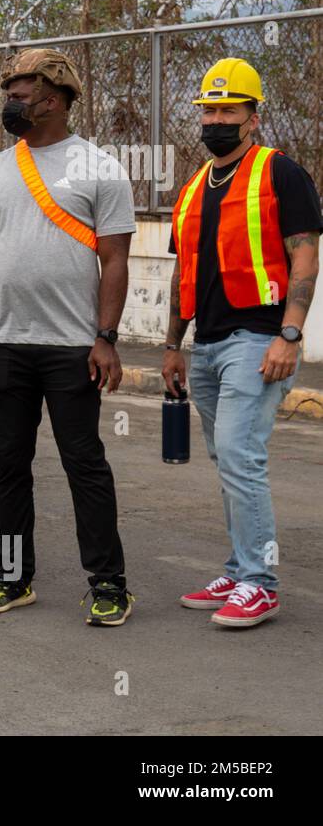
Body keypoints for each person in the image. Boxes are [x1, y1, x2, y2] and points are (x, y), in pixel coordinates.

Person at [0, 48, 136, 626]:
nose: (9, 102)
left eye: (20, 93)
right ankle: (13, 577)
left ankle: (109, 583)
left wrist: (105, 337)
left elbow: (116, 258)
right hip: (4, 342)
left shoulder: (99, 168)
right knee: (7, 463)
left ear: (53, 98)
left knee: (85, 462)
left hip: (72, 346)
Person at [163, 58, 321, 628]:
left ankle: (260, 582)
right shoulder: (191, 190)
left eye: (229, 110)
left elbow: (305, 259)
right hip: (204, 346)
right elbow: (185, 274)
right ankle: (238, 566)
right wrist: (172, 346)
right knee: (225, 459)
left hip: (258, 340)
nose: (216, 120)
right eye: (209, 109)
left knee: (239, 456)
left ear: (254, 117)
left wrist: (289, 334)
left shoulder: (281, 174)